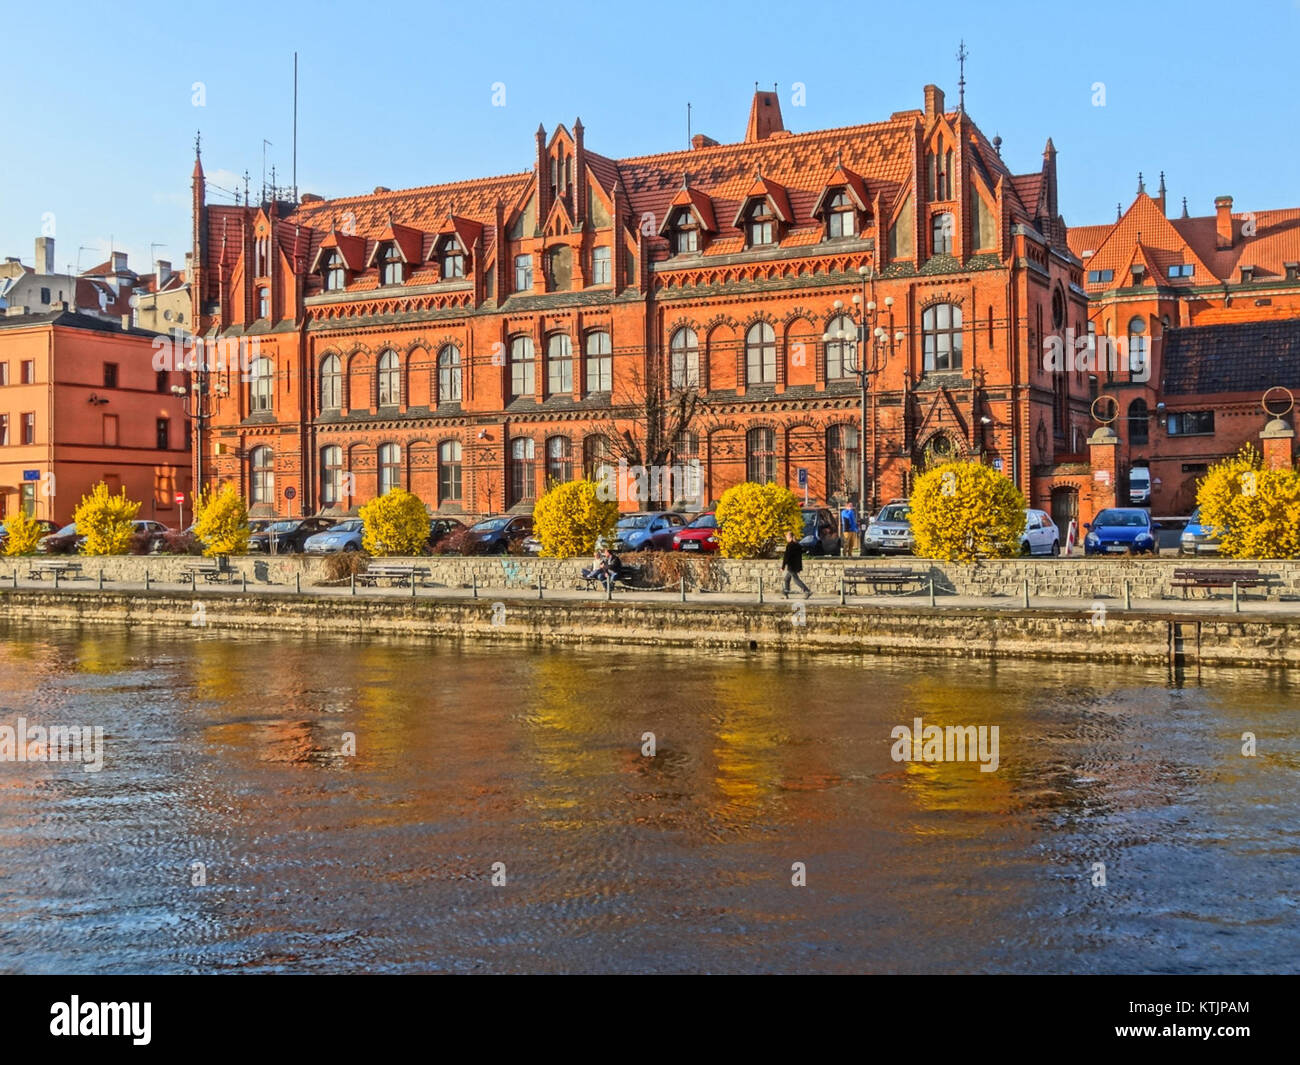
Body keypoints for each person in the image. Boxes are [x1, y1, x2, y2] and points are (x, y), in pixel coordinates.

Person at [781, 530, 812, 599]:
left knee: (796, 580)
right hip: (795, 566)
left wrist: (783, 567)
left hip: (791, 566)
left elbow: (786, 557)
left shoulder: (790, 545)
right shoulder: (797, 545)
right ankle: (786, 592)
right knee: (787, 578)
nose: (786, 539)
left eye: (787, 537)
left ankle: (807, 591)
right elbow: (803, 550)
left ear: (790, 537)